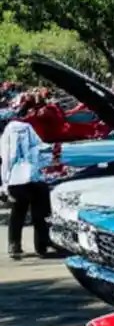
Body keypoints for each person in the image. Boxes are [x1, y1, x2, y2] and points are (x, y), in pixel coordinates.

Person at [1, 95, 52, 259]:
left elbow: (9, 157)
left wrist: (4, 183)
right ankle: (42, 245)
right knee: (39, 213)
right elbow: (42, 150)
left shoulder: (8, 133)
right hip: (35, 177)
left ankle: (14, 244)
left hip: (16, 180)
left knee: (18, 212)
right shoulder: (28, 128)